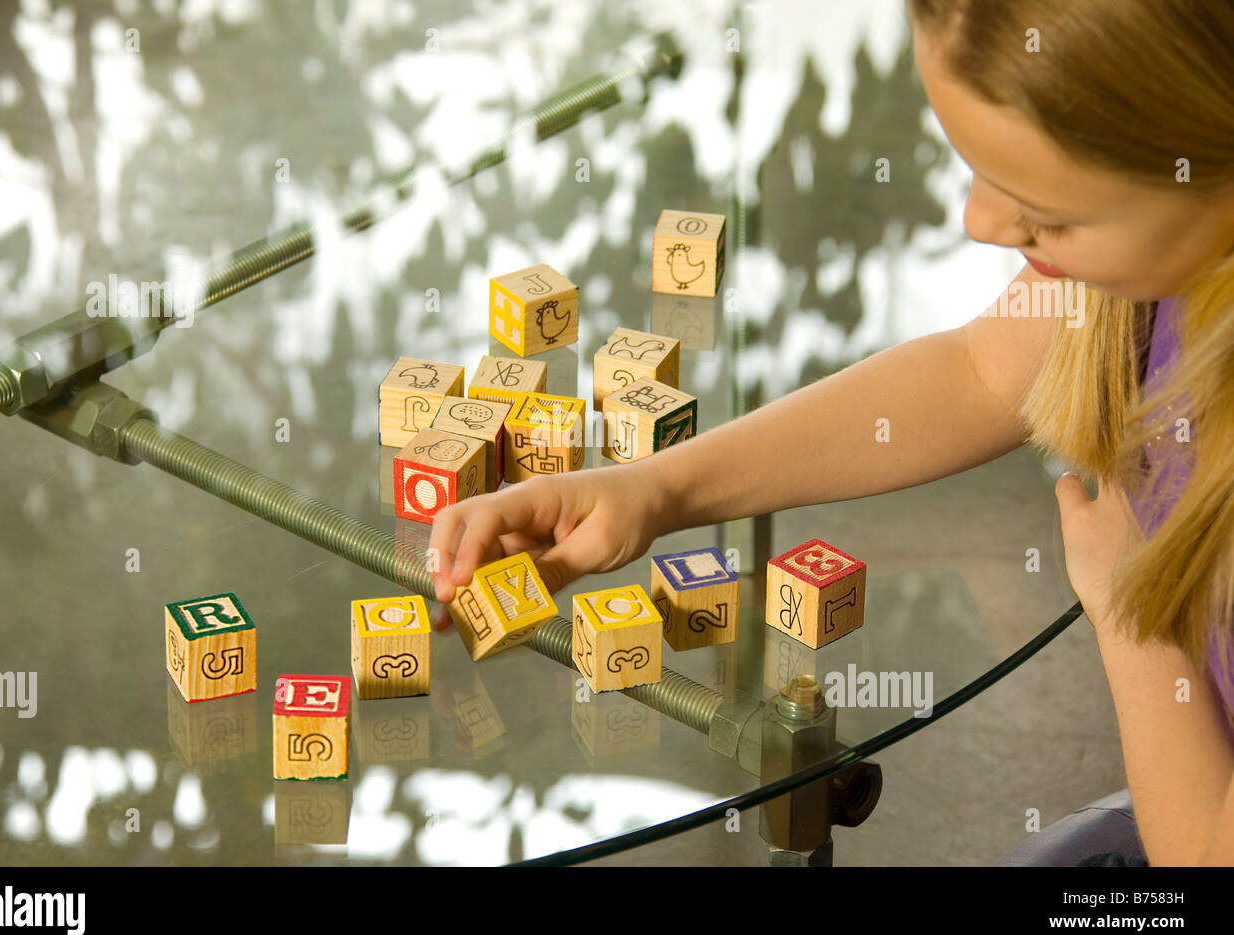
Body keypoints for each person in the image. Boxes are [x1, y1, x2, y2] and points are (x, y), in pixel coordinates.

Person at [428, 0, 1234, 865]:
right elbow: (979, 372)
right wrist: (653, 490)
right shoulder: (1160, 258)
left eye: (1048, 213)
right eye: (975, 169)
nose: (980, 223)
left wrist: (1131, 611)